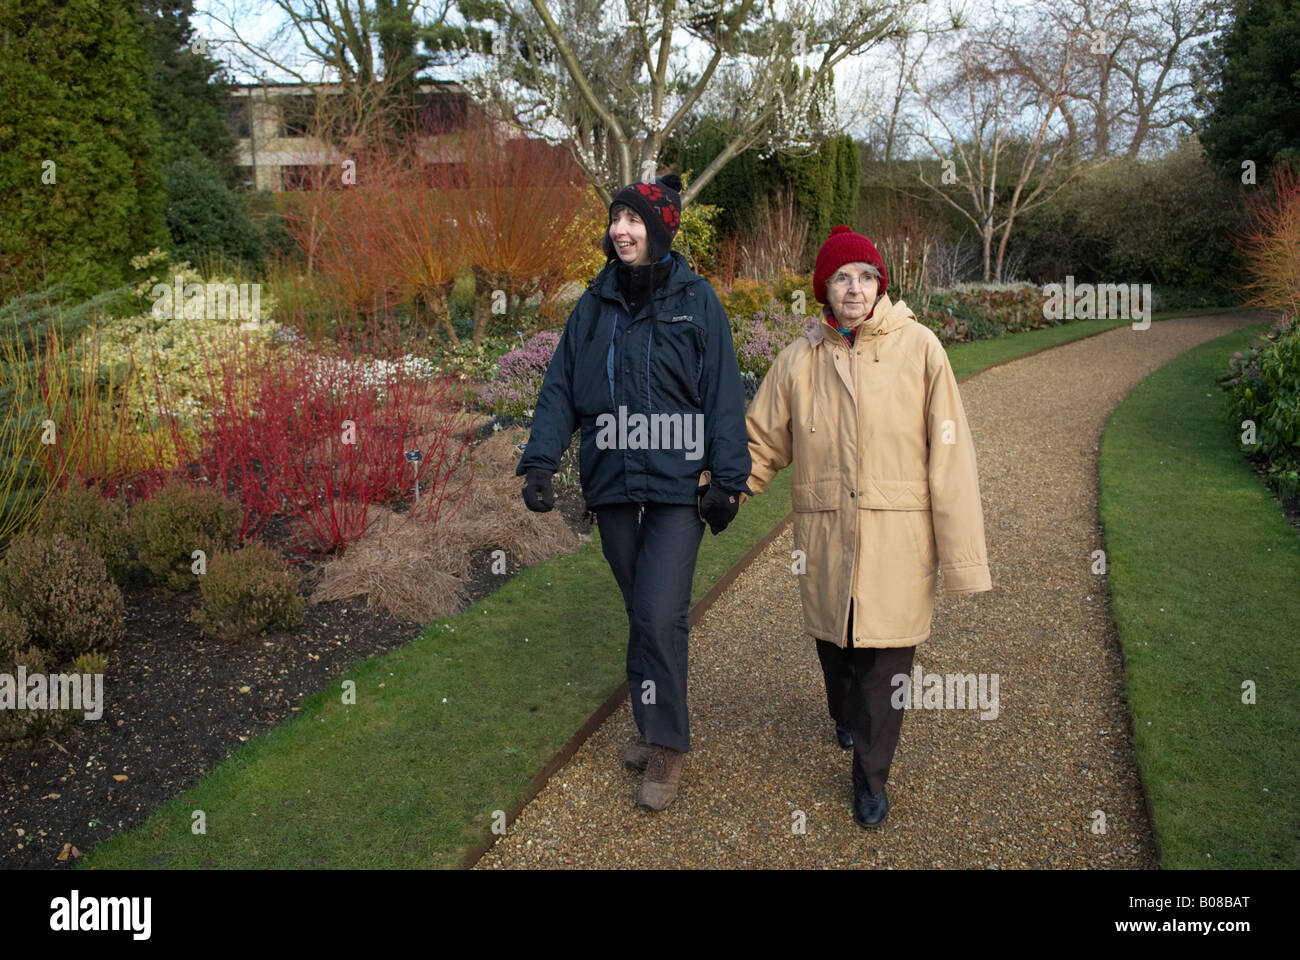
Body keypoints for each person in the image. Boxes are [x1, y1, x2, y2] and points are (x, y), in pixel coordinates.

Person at [742, 224, 993, 828]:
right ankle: (845, 717)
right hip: (828, 539)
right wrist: (722, 492)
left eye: (864, 277)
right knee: (837, 651)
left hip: (898, 541)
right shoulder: (798, 359)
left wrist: (961, 559)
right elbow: (761, 440)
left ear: (880, 284)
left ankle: (871, 777)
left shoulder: (921, 348)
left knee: (886, 665)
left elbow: (950, 456)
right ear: (823, 290)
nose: (853, 288)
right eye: (840, 278)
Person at [517, 173, 751, 811]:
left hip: (678, 487)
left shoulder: (697, 300)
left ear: (661, 228)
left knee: (658, 612)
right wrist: (541, 461)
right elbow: (561, 385)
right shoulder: (592, 305)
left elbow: (724, 394)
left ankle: (669, 745)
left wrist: (728, 480)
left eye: (635, 219)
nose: (621, 229)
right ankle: (650, 725)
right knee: (638, 612)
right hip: (614, 481)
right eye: (617, 218)